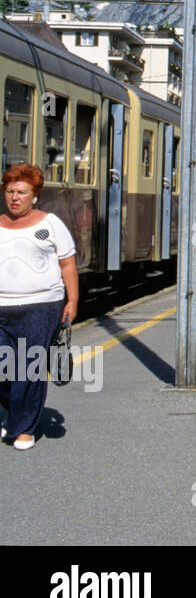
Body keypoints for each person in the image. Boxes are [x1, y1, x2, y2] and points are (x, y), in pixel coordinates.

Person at [0, 163, 77, 450]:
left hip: (41, 306)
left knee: (28, 368)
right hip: (2, 306)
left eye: (21, 192)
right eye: (10, 191)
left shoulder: (49, 225)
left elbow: (67, 262)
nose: (14, 197)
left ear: (34, 195)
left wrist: (73, 300)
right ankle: (17, 414)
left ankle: (23, 429)